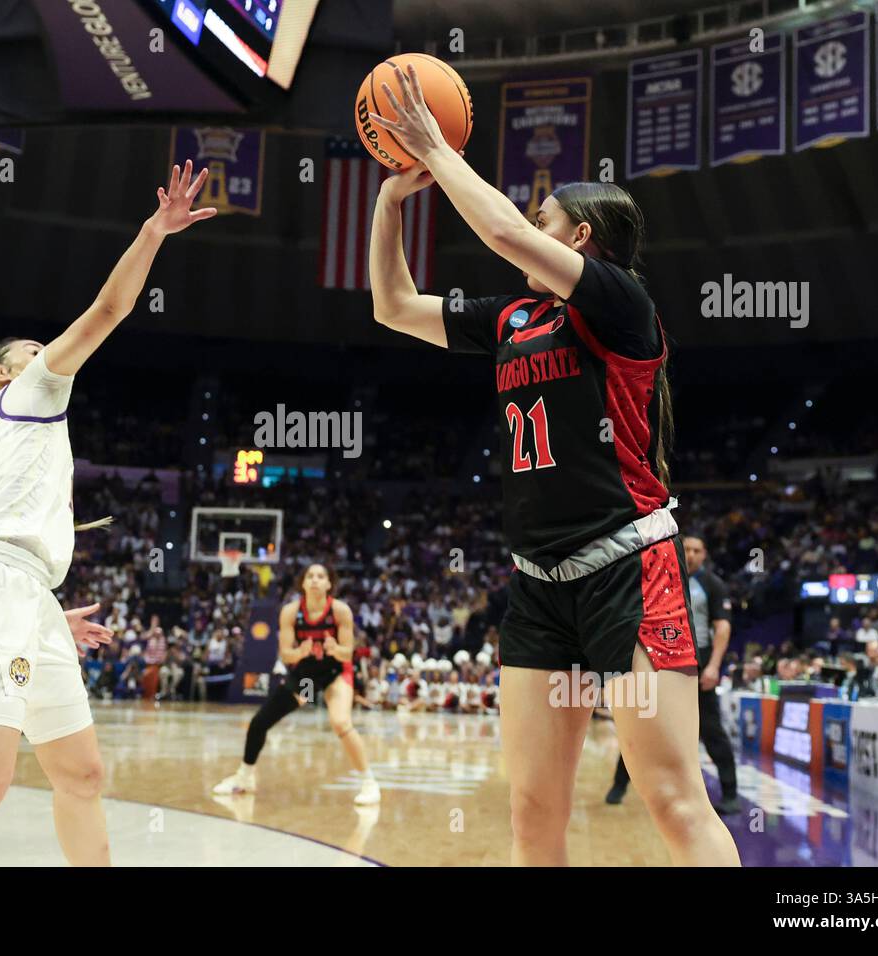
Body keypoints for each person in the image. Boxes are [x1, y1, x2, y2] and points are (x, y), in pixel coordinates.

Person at [366, 65, 738, 865]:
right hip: (539, 587)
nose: (529, 226)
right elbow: (391, 306)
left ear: (578, 239)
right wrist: (390, 202)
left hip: (626, 574)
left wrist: (437, 147)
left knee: (672, 800)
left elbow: (501, 232)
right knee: (533, 811)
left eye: (546, 218)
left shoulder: (616, 301)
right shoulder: (512, 316)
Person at [0, 160, 215, 867]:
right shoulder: (28, 390)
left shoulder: (24, 421)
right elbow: (109, 312)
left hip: (25, 599)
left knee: (82, 775)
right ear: (4, 372)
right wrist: (154, 230)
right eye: (31, 350)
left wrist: (42, 613)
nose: (45, 352)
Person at [212, 564, 381, 806]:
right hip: (307, 678)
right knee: (260, 721)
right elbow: (286, 655)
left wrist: (335, 649)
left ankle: (369, 782)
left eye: (320, 576)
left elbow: (347, 654)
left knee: (341, 722)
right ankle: (245, 777)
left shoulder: (340, 611)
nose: (314, 580)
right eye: (310, 576)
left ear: (328, 584)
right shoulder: (291, 612)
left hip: (334, 672)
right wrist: (299, 652)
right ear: (303, 583)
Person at [606, 534, 740, 815]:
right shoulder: (657, 575)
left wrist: (714, 666)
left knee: (711, 729)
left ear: (704, 555)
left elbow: (723, 629)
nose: (690, 554)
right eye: (687, 549)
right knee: (640, 725)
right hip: (657, 659)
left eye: (697, 550)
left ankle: (730, 793)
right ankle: (619, 784)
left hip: (698, 663)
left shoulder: (712, 585)